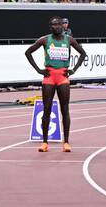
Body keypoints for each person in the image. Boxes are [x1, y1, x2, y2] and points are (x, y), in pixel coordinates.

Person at [25, 17, 87, 152]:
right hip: (49, 77)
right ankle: (45, 142)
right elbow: (28, 52)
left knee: (65, 109)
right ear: (50, 27)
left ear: (62, 26)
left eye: (58, 24)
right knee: (46, 110)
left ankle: (66, 142)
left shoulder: (69, 39)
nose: (56, 27)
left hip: (63, 77)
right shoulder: (45, 40)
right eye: (53, 25)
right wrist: (38, 70)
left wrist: (73, 70)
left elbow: (83, 53)